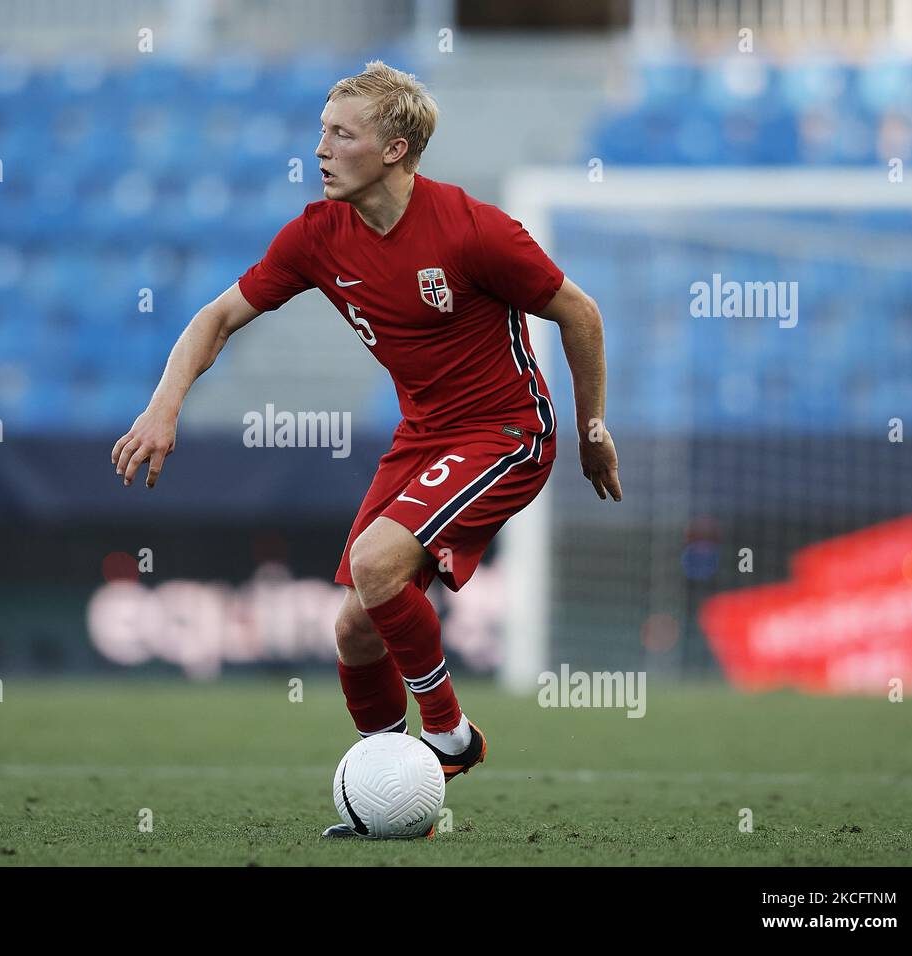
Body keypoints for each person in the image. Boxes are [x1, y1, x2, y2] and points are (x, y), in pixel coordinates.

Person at [111, 62, 621, 837]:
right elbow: (215, 318)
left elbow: (579, 313)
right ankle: (393, 792)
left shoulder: (473, 229)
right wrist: (162, 406)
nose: (319, 148)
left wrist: (592, 431)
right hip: (421, 438)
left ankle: (449, 737)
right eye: (321, 129)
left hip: (508, 432)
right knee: (352, 628)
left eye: (340, 134)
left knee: (380, 566)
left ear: (394, 148)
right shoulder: (317, 236)